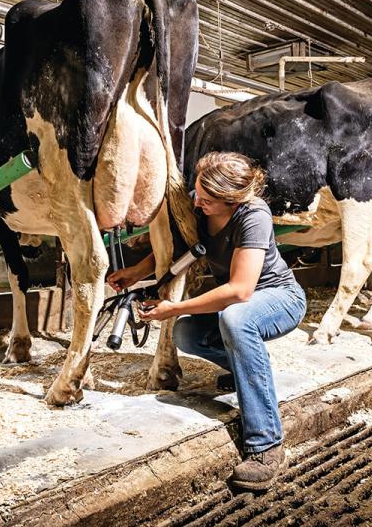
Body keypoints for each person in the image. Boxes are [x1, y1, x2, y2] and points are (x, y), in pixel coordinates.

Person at [106, 151, 306, 491]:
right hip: (242, 303)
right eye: (197, 192)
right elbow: (178, 246)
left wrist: (174, 306)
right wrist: (135, 273)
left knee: (235, 317)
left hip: (280, 297)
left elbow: (241, 290)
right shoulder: (200, 211)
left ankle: (266, 445)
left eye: (208, 198)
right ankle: (247, 366)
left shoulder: (253, 215)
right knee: (187, 335)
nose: (198, 202)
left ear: (232, 200)